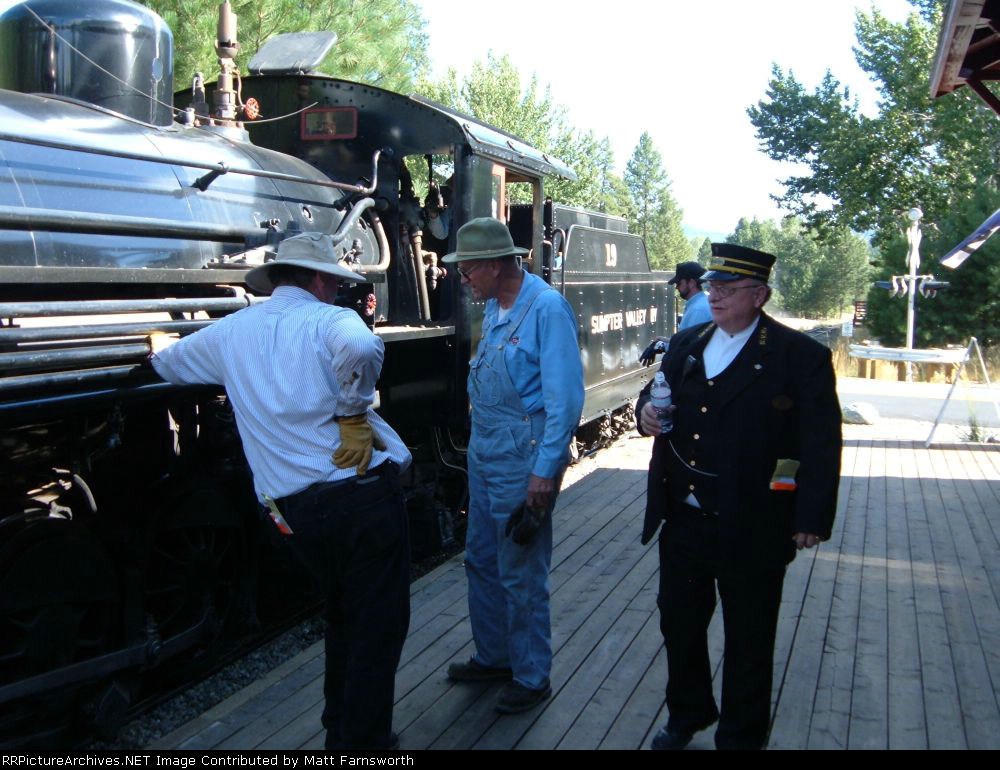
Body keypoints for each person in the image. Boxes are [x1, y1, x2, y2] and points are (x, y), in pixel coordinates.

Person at [149, 232, 411, 751]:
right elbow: (362, 346)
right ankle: (361, 745)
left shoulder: (230, 332)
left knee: (341, 617)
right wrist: (354, 412)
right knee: (375, 632)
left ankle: (341, 729)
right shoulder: (330, 320)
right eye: (334, 280)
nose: (338, 289)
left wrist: (152, 344)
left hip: (296, 514)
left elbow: (165, 364)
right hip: (360, 503)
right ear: (315, 279)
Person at [636, 242, 842, 750]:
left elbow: (819, 442)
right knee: (678, 621)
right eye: (711, 286)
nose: (716, 296)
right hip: (684, 516)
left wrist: (809, 514)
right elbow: (654, 395)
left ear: (760, 295)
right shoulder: (687, 344)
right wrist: (646, 414)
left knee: (750, 636)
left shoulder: (800, 357)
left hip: (755, 522)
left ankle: (741, 735)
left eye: (728, 289)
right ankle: (688, 713)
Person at [442, 217, 584, 714]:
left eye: (469, 268)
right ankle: (495, 656)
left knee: (520, 571)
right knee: (481, 561)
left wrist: (544, 472)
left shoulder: (545, 309)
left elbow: (564, 401)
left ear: (499, 264)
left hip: (523, 462)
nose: (463, 277)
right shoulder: (498, 309)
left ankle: (530, 674)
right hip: (486, 458)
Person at [639, 261, 711, 366]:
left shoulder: (698, 310)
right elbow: (685, 339)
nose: (677, 287)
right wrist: (661, 341)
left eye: (679, 283)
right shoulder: (698, 303)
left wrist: (661, 346)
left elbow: (686, 346)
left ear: (691, 283)